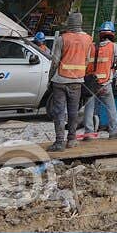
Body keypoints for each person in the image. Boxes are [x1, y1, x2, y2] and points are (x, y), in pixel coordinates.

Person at [47, 12, 93, 152]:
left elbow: (55, 61)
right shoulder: (88, 39)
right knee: (73, 111)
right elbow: (87, 60)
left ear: (69, 23)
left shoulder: (62, 39)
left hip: (60, 80)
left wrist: (50, 77)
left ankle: (59, 142)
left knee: (59, 112)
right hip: (77, 81)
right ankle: (72, 139)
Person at [85, 21, 117, 138]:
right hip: (105, 83)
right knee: (111, 108)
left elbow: (86, 62)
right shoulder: (114, 47)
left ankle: (88, 133)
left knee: (89, 107)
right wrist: (112, 68)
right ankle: (113, 132)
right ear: (112, 34)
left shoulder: (92, 46)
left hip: (91, 82)